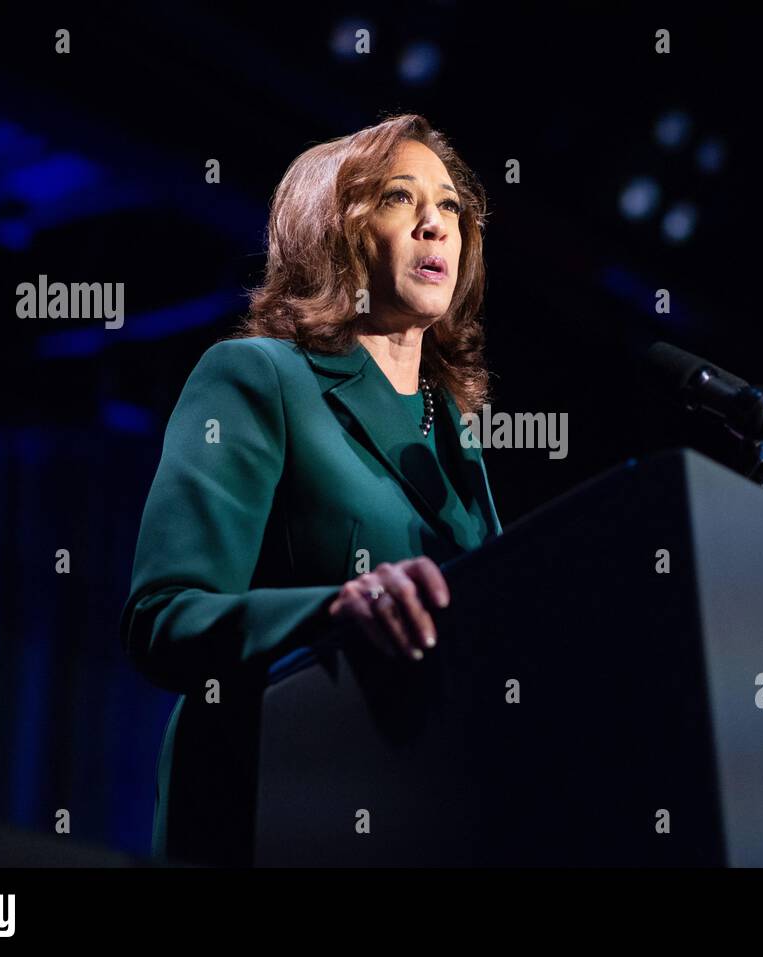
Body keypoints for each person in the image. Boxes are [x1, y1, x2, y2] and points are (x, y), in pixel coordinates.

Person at [118, 114, 500, 866]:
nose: (436, 224)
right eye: (400, 197)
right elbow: (163, 618)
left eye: (451, 206)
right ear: (337, 231)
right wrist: (333, 610)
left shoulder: (456, 437)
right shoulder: (258, 378)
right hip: (271, 814)